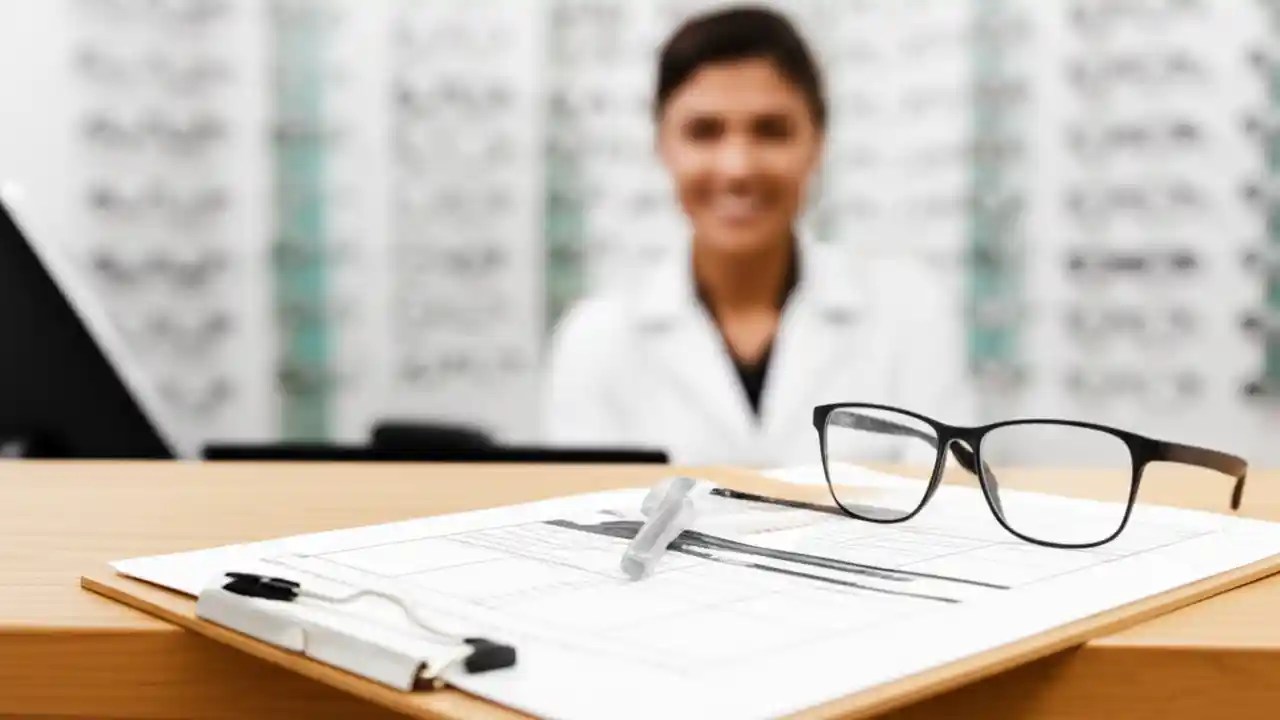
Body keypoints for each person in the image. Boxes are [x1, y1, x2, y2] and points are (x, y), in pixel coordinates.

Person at [544, 7, 970, 466]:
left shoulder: (911, 315)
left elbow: (949, 511)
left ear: (818, 142)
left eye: (772, 131)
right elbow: (586, 522)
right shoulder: (596, 340)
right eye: (704, 132)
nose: (738, 168)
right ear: (662, 144)